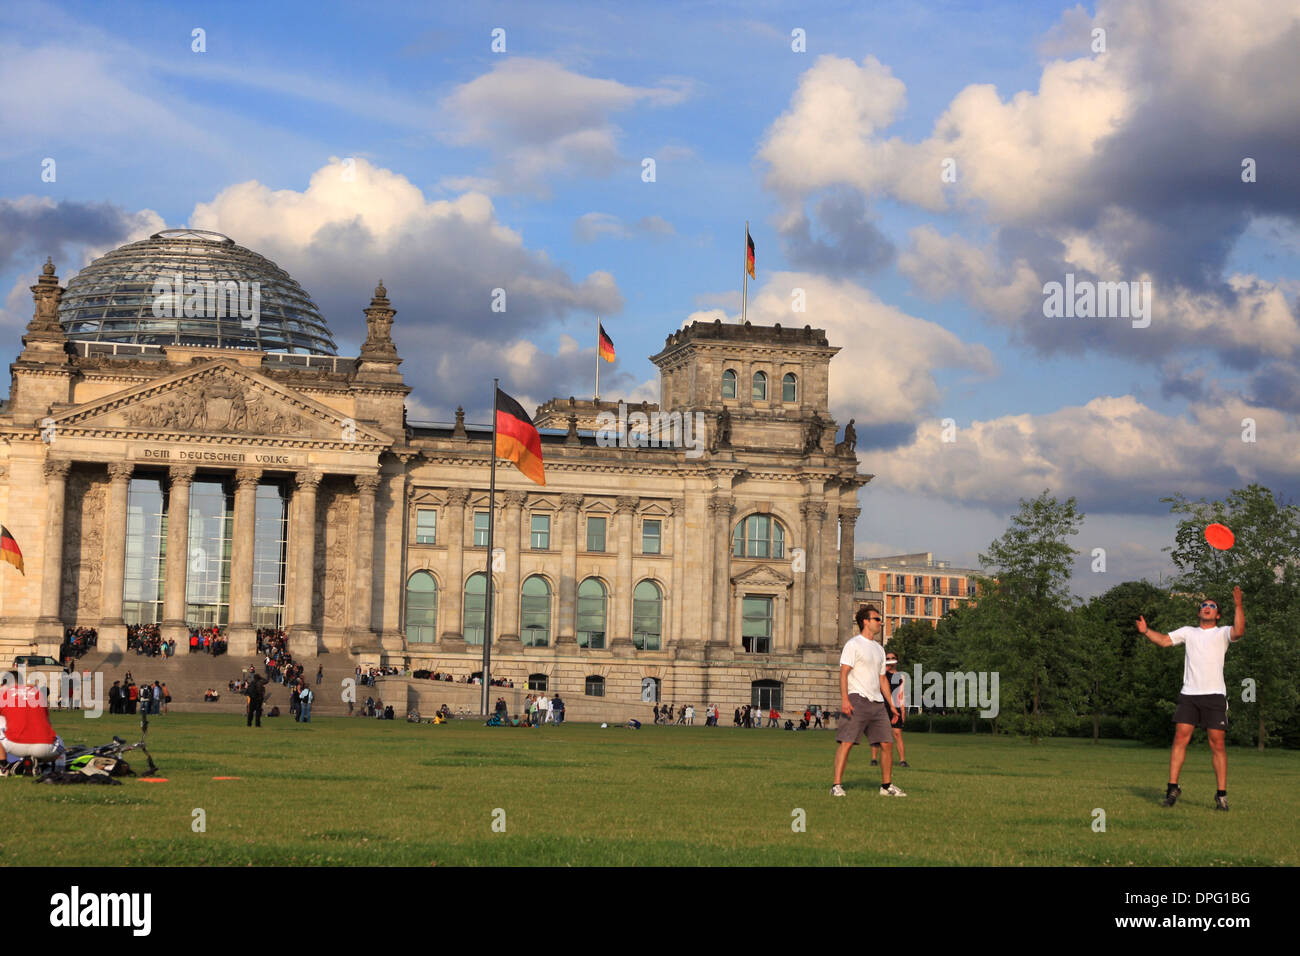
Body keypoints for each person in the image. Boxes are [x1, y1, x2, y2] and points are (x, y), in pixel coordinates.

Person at [1138, 586, 1245, 811]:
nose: (1206, 608)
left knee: (1217, 744)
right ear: (1199, 613)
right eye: (1203, 605)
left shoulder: (1223, 632)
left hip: (1214, 695)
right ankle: (1172, 788)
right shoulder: (1188, 631)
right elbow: (1165, 641)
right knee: (1180, 739)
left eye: (1211, 606)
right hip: (1189, 695)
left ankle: (1221, 795)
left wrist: (1238, 605)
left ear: (1217, 615)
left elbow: (1239, 631)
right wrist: (1147, 631)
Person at [831, 605, 905, 797]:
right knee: (846, 742)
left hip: (877, 703)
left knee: (887, 743)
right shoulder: (853, 644)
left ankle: (886, 786)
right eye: (877, 619)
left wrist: (891, 705)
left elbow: (882, 680)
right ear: (866, 621)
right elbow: (844, 673)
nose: (880, 622)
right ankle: (836, 786)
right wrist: (845, 699)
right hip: (857, 699)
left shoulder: (880, 649)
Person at [0, 673, 62, 769]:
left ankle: (3, 766)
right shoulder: (36, 692)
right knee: (58, 742)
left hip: (15, 747)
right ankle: (34, 761)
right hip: (44, 748)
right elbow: (48, 723)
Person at [872, 653, 909, 768]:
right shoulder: (881, 674)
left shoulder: (901, 676)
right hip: (882, 705)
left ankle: (902, 760)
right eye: (888, 659)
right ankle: (873, 758)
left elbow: (901, 694)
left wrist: (902, 710)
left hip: (896, 705)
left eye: (893, 658)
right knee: (878, 733)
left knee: (897, 733)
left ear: (897, 660)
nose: (890, 660)